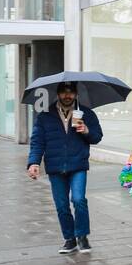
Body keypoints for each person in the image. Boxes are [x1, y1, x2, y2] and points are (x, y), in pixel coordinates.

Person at [26, 82, 103, 254]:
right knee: (61, 205)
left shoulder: (86, 113)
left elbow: (97, 137)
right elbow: (38, 141)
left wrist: (85, 130)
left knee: (78, 199)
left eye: (70, 92)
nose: (67, 96)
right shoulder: (45, 116)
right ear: (58, 94)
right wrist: (34, 163)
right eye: (63, 92)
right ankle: (70, 240)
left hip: (78, 164)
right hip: (55, 166)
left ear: (76, 94)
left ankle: (82, 236)